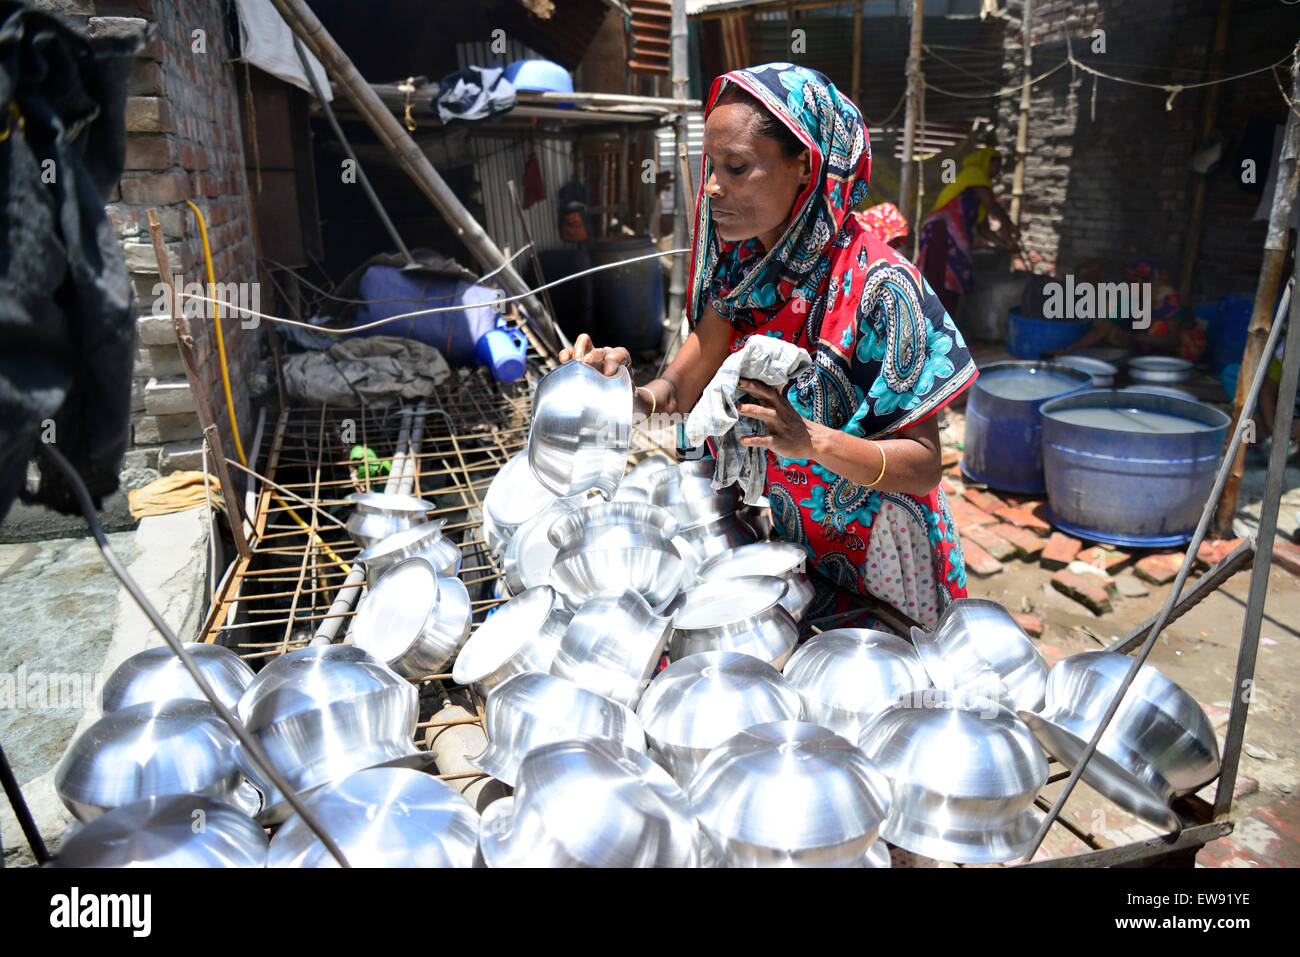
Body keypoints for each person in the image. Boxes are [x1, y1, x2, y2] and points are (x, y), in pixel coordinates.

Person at [557, 64, 978, 630]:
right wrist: (622, 396)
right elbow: (682, 384)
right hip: (797, 544)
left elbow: (925, 466)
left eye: (736, 168)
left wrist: (813, 442)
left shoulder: (882, 287)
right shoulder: (739, 267)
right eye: (712, 166)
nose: (711, 186)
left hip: (887, 551)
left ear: (803, 163)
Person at [916, 147, 1019, 316]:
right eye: (996, 165)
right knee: (940, 278)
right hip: (942, 231)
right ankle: (933, 322)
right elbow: (992, 206)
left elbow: (983, 228)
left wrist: (1005, 245)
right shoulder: (974, 174)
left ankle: (943, 321)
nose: (998, 171)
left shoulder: (981, 186)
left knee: (952, 279)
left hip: (953, 233)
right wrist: (1009, 227)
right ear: (987, 162)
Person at [1049, 259, 1207, 362]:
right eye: (1129, 281)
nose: (1130, 286)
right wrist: (1067, 350)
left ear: (1152, 282)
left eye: (1135, 282)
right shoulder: (1129, 299)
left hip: (1184, 349)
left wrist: (1140, 339)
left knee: (1156, 327)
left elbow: (1174, 339)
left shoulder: (1170, 300)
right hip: (1147, 345)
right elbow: (1100, 332)